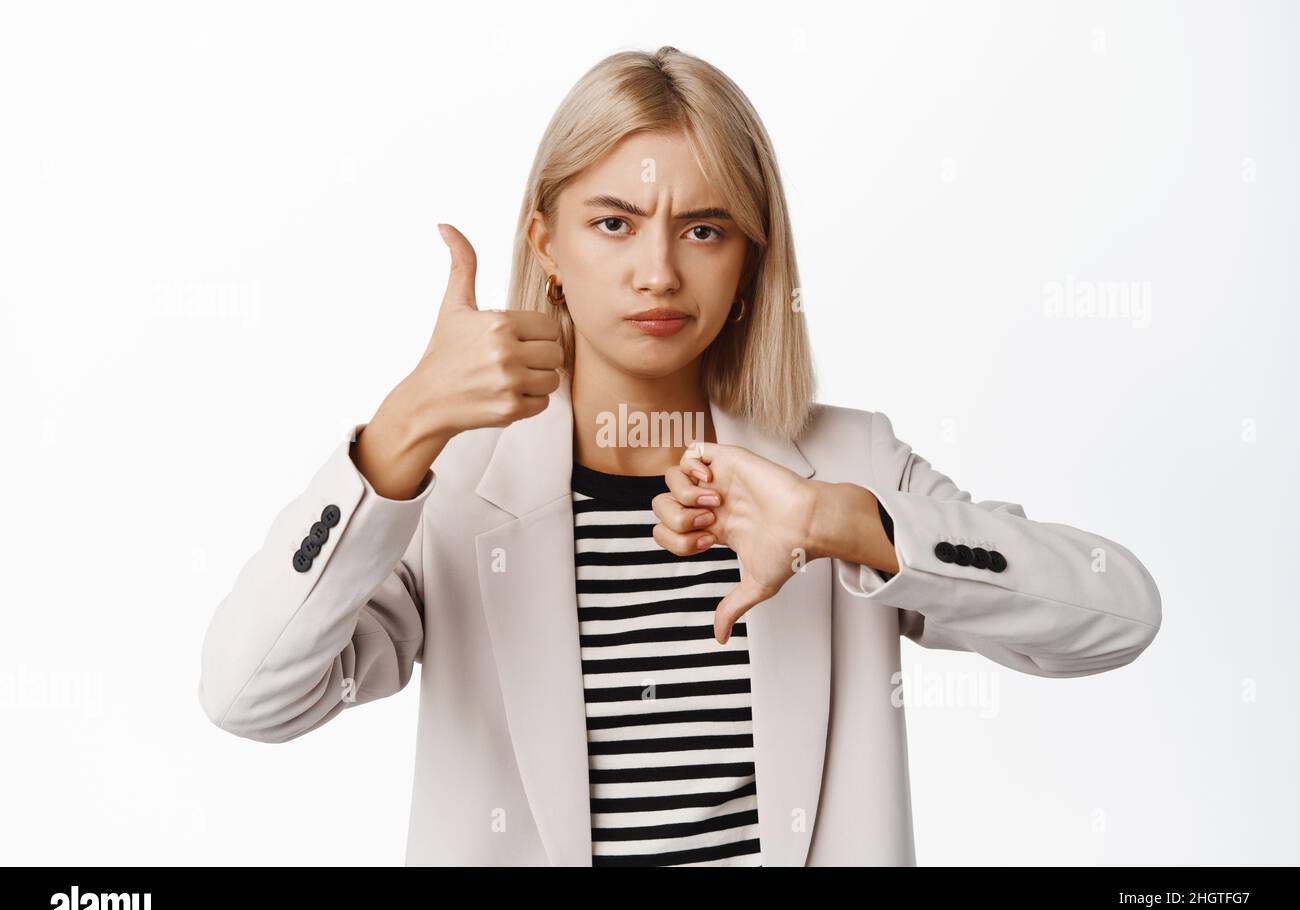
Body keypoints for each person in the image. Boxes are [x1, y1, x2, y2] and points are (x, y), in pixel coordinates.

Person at [198, 46, 1163, 866]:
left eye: (704, 230)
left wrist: (841, 522)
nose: (658, 272)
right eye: (613, 223)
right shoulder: (449, 490)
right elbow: (251, 698)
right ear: (546, 240)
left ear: (750, 260)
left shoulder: (844, 461)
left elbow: (1116, 614)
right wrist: (399, 433)